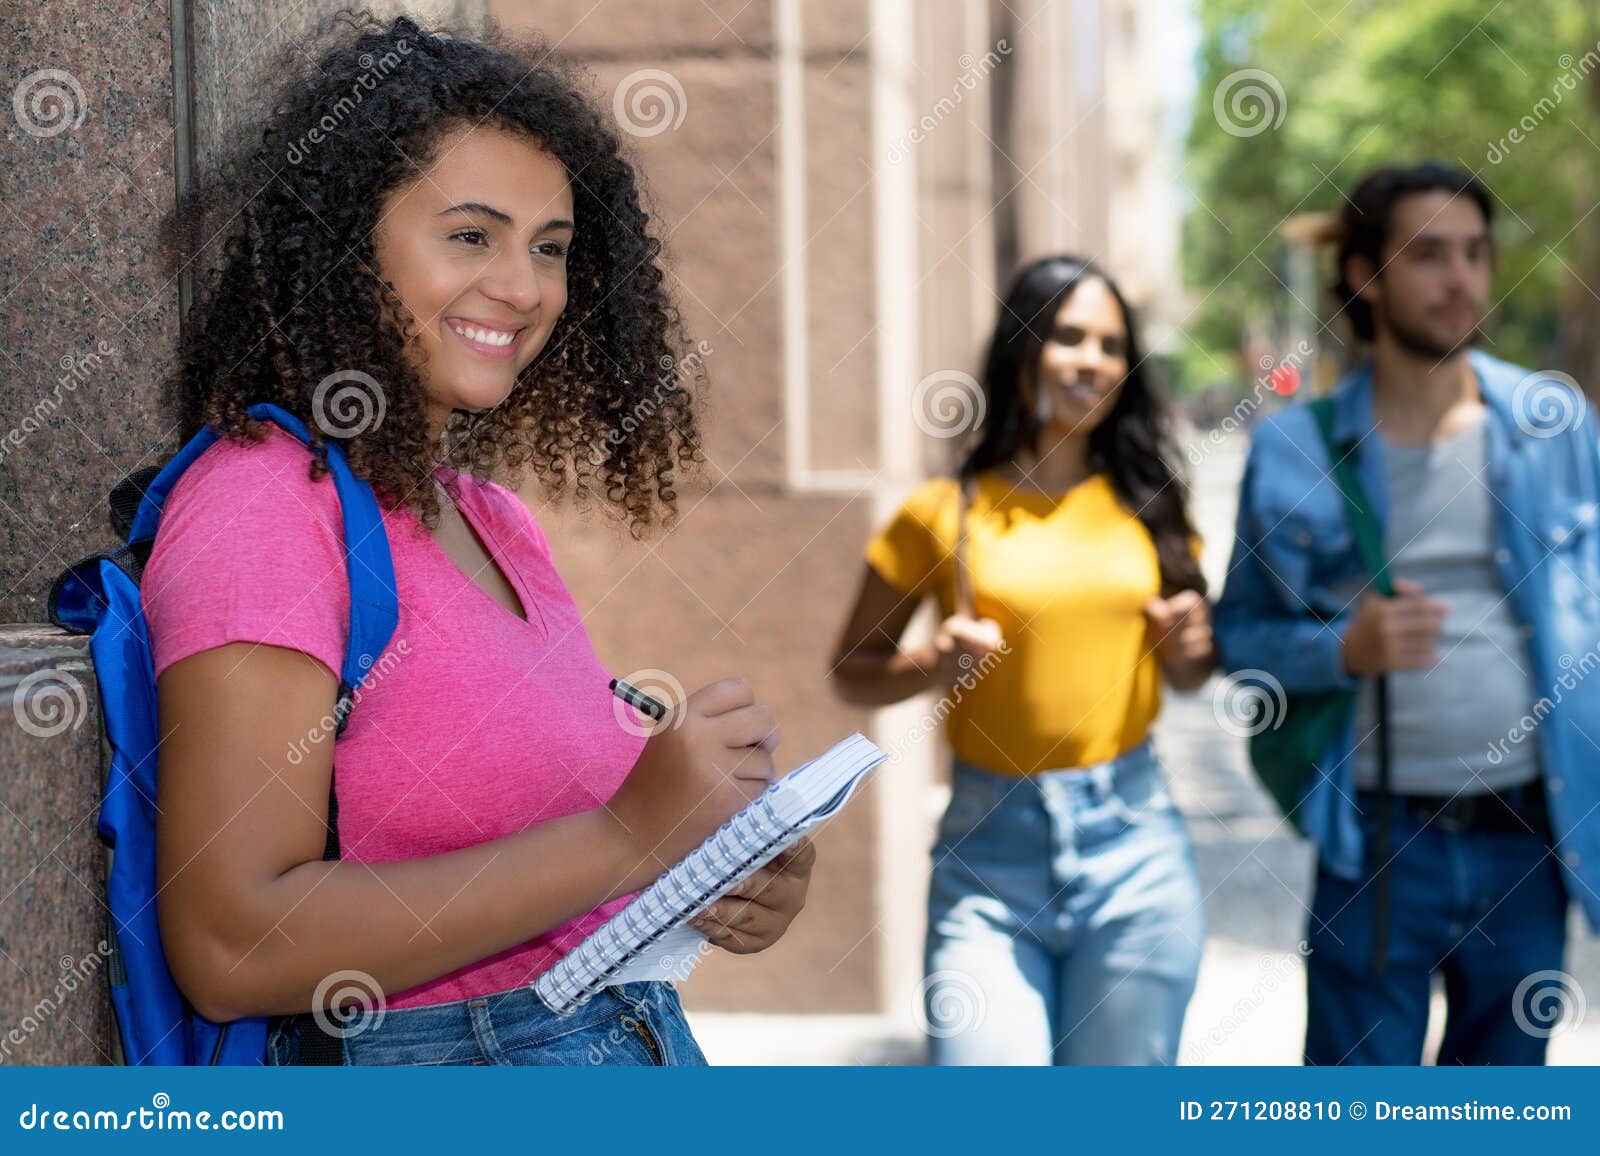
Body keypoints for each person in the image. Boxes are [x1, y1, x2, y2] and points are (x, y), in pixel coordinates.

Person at [143, 12, 812, 1067]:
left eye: (550, 248)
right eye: (470, 235)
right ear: (343, 244)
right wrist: (628, 835)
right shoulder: (263, 506)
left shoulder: (489, 518)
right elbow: (231, 941)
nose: (522, 286)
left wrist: (710, 862)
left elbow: (546, 855)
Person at [1214, 161, 1600, 1065]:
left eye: (1474, 253)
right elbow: (1241, 638)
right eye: (1428, 255)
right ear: (1363, 274)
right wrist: (1342, 648)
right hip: (1377, 844)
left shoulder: (1553, 426)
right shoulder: (1295, 448)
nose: (1460, 278)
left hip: (1531, 842)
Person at [831, 255, 1215, 1065]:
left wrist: (1190, 649)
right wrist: (932, 662)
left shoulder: (1153, 507)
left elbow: (1187, 675)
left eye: (1111, 344)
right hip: (989, 858)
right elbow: (851, 669)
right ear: (1024, 349)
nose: (1092, 360)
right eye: (1069, 336)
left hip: (1135, 849)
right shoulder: (943, 512)